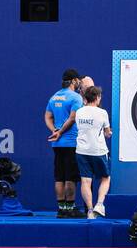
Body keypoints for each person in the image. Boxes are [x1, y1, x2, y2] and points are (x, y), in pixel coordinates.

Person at [44, 68, 84, 217]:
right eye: (78, 80)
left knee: (59, 176)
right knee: (71, 177)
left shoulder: (54, 97)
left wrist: (54, 130)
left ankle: (61, 209)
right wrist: (60, 132)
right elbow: (73, 118)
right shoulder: (76, 97)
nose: (79, 82)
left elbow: (47, 116)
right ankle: (70, 208)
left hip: (57, 144)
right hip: (71, 143)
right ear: (74, 81)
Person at [74, 84, 113, 218]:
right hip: (98, 151)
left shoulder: (79, 112)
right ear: (97, 97)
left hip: (82, 151)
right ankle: (99, 204)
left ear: (85, 98)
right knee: (106, 178)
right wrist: (108, 132)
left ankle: (90, 211)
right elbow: (108, 133)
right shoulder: (102, 113)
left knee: (85, 181)